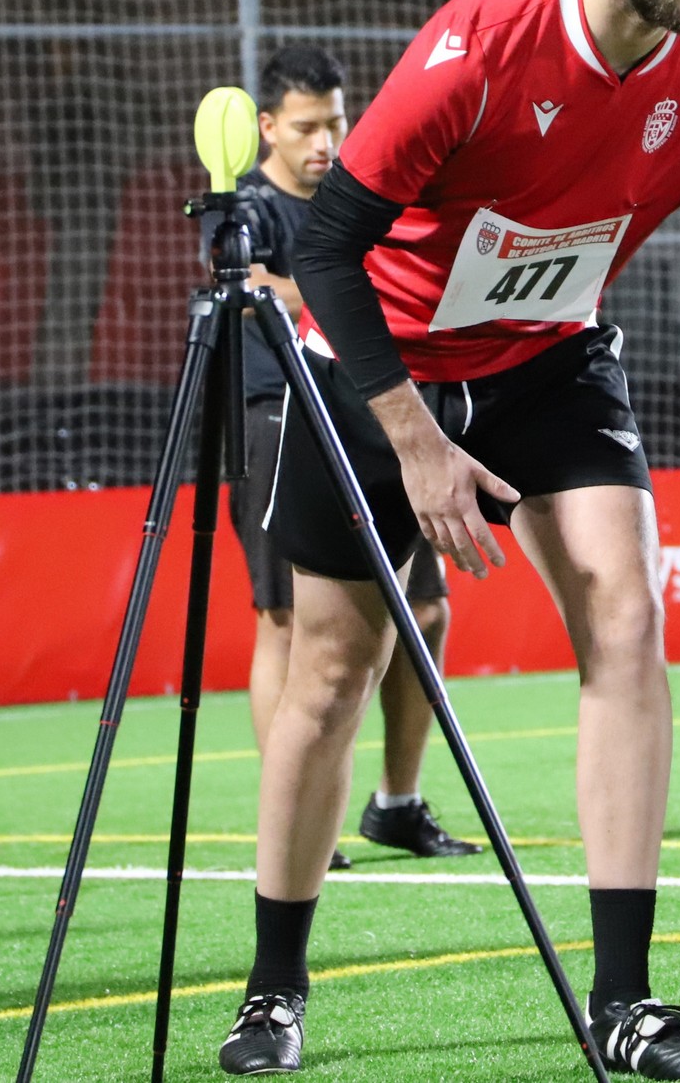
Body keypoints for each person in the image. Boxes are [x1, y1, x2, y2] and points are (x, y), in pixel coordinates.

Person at [215, 0, 680, 1079]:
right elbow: (325, 247)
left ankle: (626, 1003)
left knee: (626, 617)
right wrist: (412, 439)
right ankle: (271, 988)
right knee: (329, 672)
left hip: (549, 359)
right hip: (381, 363)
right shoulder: (481, 41)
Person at [202, 45, 480, 867]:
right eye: (307, 126)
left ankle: (397, 802)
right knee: (284, 622)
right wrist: (318, 286)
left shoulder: (356, 200)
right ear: (265, 128)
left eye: (337, 122)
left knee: (425, 610)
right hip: (269, 417)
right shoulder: (248, 205)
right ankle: (299, 813)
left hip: (368, 418)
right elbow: (241, 284)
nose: (327, 141)